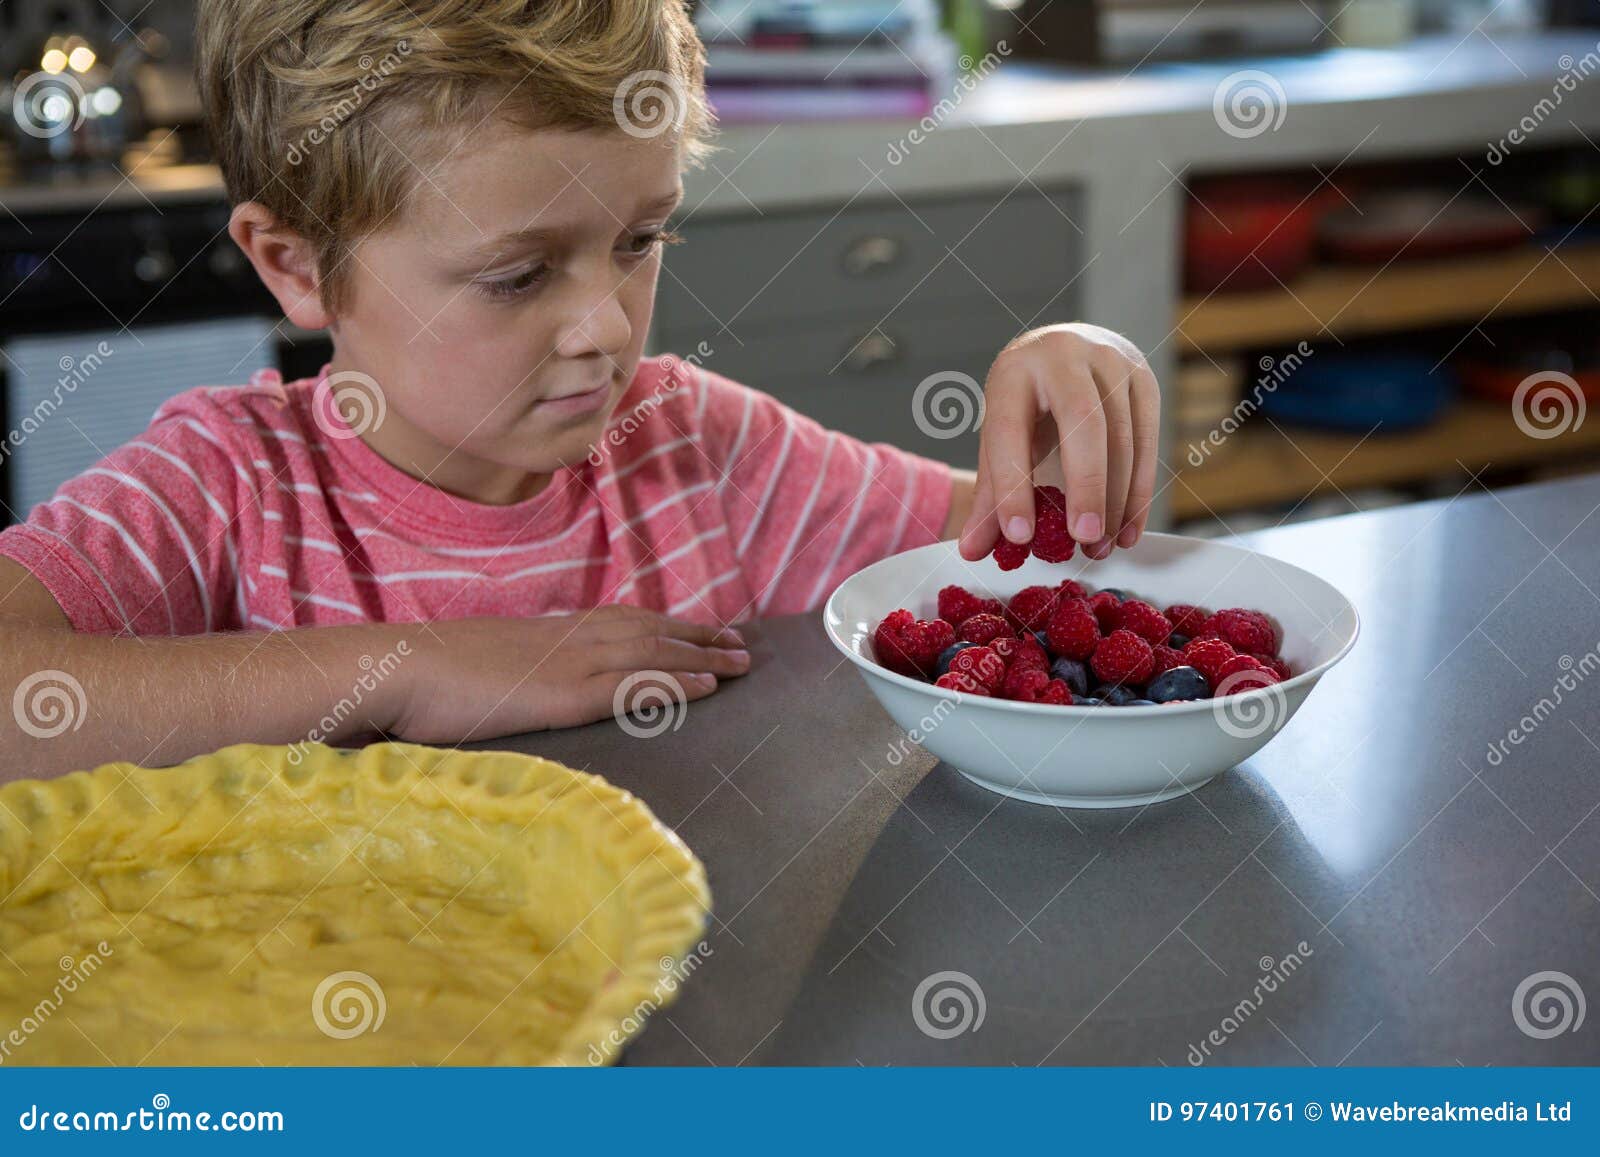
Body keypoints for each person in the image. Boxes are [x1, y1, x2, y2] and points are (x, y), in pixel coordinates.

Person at [0, 0, 1160, 779]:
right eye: (516, 276)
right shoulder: (232, 484)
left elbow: (1042, 578)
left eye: (640, 239)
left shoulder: (695, 448)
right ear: (297, 266)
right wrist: (409, 669)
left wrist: (1060, 424)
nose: (607, 328)